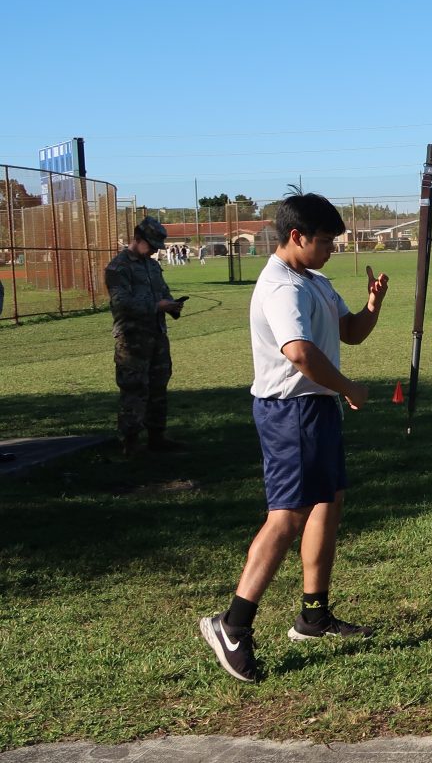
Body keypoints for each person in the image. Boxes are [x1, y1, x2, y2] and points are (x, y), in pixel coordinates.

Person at [198, 193, 389, 683]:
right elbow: (299, 352)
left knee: (328, 502)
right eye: (325, 241)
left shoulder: (313, 279)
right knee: (286, 517)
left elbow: (349, 334)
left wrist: (372, 306)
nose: (331, 250)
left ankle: (313, 615)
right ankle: (233, 624)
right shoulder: (282, 287)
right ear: (296, 236)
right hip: (291, 411)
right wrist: (349, 388)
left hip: (316, 407)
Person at [104, 216, 183, 455]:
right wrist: (157, 306)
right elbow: (122, 304)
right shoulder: (118, 267)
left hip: (157, 335)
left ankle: (157, 436)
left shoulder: (152, 266)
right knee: (134, 389)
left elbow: (163, 291)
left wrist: (172, 304)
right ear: (137, 239)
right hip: (132, 339)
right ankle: (131, 442)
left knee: (159, 386)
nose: (153, 252)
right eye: (150, 246)